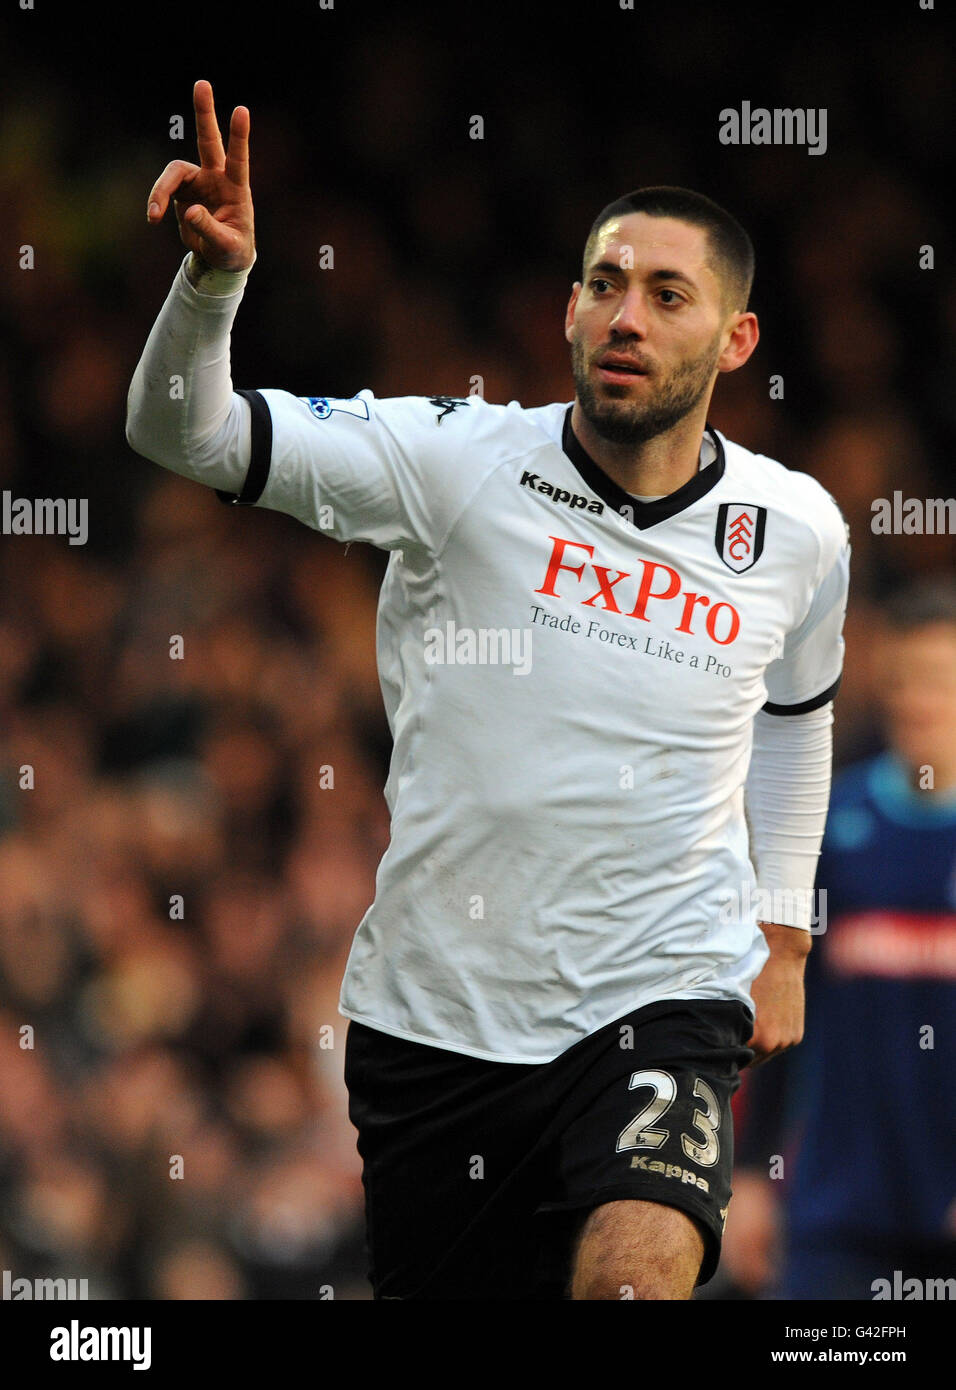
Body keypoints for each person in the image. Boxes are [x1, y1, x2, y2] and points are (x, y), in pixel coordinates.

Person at [126, 80, 850, 1300]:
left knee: (634, 1273)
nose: (626, 316)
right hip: (439, 1014)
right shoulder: (450, 461)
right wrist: (211, 290)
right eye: (605, 285)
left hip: (661, 991)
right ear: (567, 309)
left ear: (734, 340)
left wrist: (780, 931)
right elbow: (181, 435)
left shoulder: (797, 530)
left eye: (667, 295)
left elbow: (795, 714)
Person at [724, 580, 956, 1300]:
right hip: (837, 1218)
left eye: (941, 682)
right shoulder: (825, 831)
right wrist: (754, 1173)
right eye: (906, 680)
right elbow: (781, 1014)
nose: (920, 702)